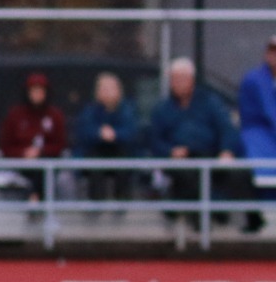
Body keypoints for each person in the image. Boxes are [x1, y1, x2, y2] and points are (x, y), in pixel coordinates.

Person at [149, 57, 259, 231]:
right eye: (174, 79)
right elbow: (154, 140)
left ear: (191, 80)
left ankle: (253, 220)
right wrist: (170, 151)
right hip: (181, 161)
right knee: (188, 176)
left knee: (239, 173)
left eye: (182, 78)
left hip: (211, 155)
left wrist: (226, 150)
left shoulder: (210, 102)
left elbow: (227, 128)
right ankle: (207, 218)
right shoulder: (162, 109)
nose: (177, 83)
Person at [0, 72, 68, 201]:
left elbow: (60, 144)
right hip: (21, 164)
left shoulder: (55, 115)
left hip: (48, 163)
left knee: (43, 168)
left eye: (40, 91)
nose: (37, 95)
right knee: (37, 170)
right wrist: (24, 153)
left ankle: (34, 198)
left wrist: (39, 152)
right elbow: (5, 146)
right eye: (34, 91)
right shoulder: (15, 115)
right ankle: (38, 201)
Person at [73, 71, 141, 200]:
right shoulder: (90, 110)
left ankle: (121, 203)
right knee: (94, 161)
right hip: (96, 150)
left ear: (119, 91)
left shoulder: (127, 110)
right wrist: (99, 133)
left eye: (111, 88)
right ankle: (97, 204)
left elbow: (131, 132)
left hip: (120, 150)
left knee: (124, 160)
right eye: (104, 89)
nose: (107, 92)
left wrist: (115, 134)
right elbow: (84, 132)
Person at [239, 35, 276, 169]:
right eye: (272, 51)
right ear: (267, 54)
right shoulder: (255, 79)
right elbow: (270, 111)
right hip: (257, 132)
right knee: (266, 170)